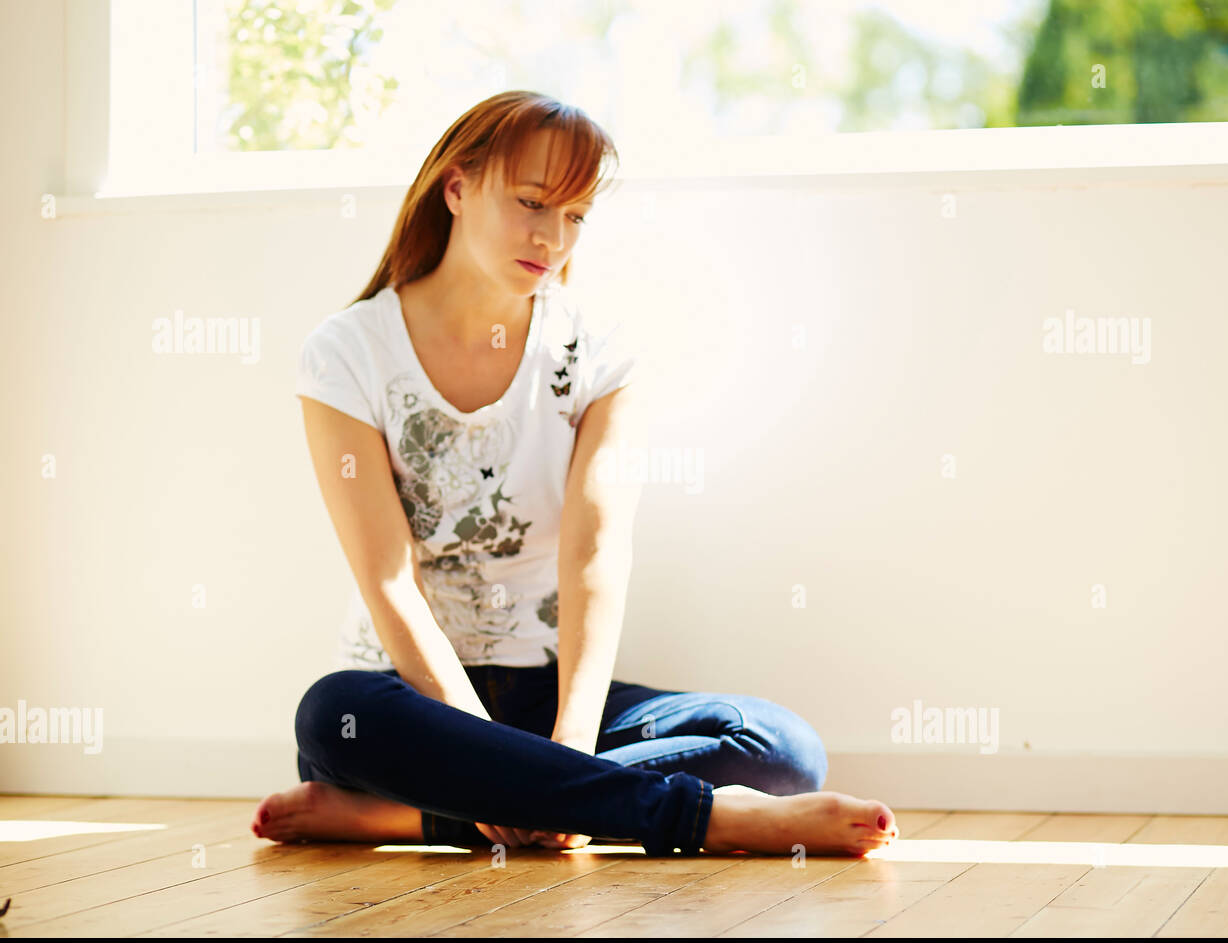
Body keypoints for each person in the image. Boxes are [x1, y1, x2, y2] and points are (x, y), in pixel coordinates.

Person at [251, 90, 898, 857]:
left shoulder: (599, 350)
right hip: (412, 704)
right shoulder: (347, 352)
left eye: (576, 215)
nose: (553, 237)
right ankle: (711, 819)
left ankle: (406, 819)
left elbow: (595, 552)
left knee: (780, 748)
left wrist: (565, 745)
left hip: (548, 696)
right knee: (332, 714)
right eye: (531, 202)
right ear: (456, 188)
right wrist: (482, 752)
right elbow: (388, 581)